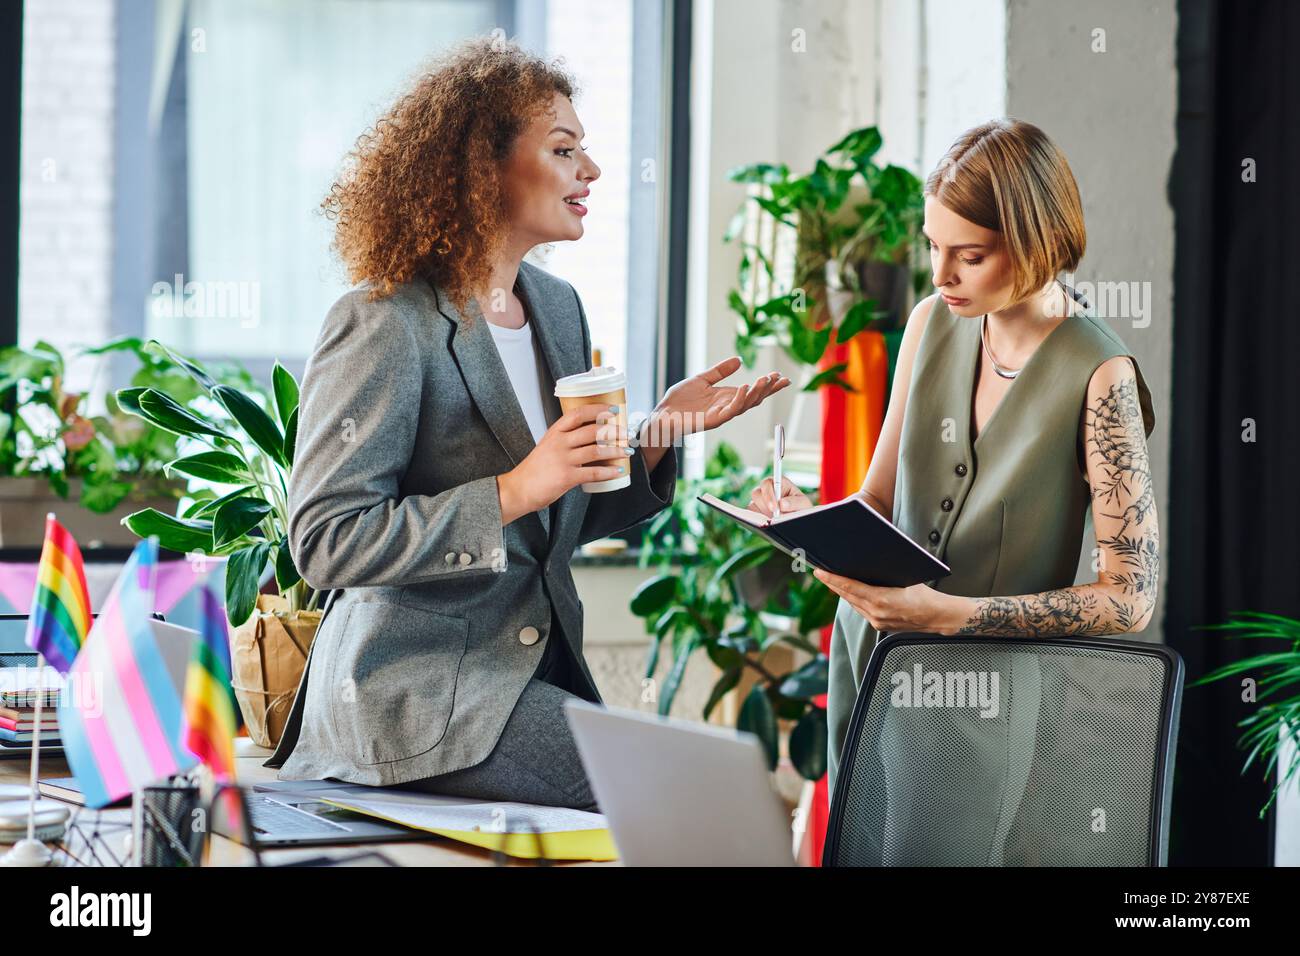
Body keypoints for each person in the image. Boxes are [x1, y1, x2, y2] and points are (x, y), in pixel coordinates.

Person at [265, 38, 790, 810]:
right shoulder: (384, 323)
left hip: (522, 679)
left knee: (709, 787)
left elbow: (550, 523)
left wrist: (654, 439)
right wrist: (511, 489)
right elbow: (326, 541)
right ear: (485, 167)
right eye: (564, 149)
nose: (593, 171)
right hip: (409, 692)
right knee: (686, 794)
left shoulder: (557, 310)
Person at [749, 119, 1158, 805]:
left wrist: (946, 614)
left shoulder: (1100, 373)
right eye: (933, 247)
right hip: (867, 664)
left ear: (1039, 242)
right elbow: (878, 499)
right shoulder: (930, 322)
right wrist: (810, 522)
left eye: (967, 255)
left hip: (985, 703)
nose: (940, 276)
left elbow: (1129, 597)